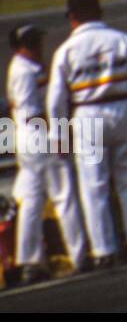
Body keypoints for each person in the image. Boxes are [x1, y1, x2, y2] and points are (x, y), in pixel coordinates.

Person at [46, 0, 127, 267]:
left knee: (94, 185)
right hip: (124, 109)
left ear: (73, 18)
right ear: (100, 12)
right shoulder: (121, 40)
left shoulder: (66, 51)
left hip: (88, 114)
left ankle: (104, 250)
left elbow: (56, 100)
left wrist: (59, 136)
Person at [6, 24, 89, 283]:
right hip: (39, 134)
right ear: (20, 47)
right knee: (64, 195)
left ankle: (29, 261)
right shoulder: (23, 71)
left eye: (37, 42)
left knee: (31, 202)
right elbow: (33, 112)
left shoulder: (24, 68)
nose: (37, 47)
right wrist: (60, 130)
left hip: (27, 139)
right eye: (31, 44)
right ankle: (80, 255)